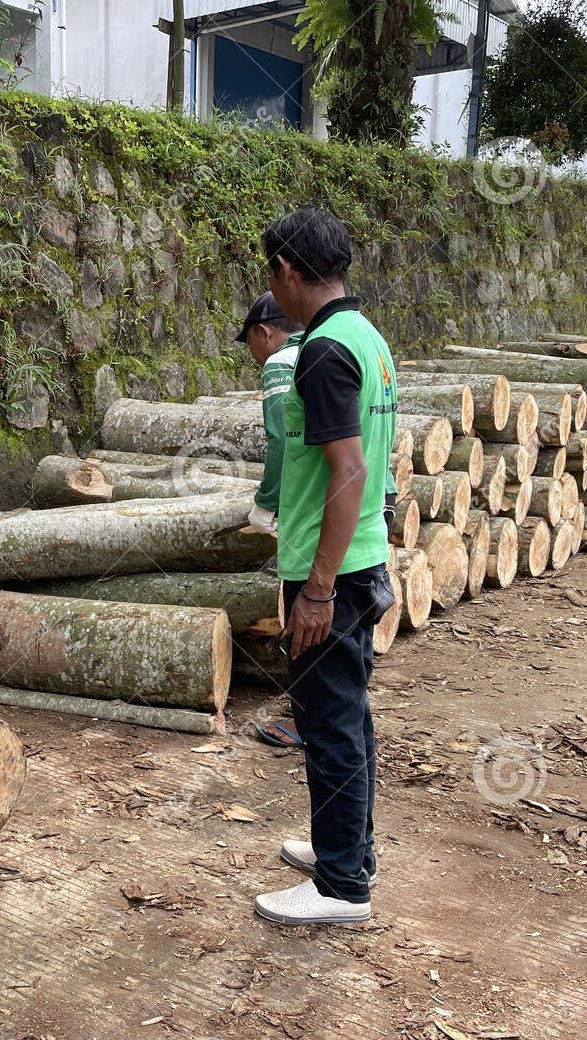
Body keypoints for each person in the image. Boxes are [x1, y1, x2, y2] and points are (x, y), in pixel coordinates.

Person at [251, 208, 398, 927]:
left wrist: (314, 590)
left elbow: (348, 469)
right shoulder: (367, 340)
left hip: (330, 572)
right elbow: (375, 469)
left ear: (285, 268)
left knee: (331, 725)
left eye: (267, 270)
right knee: (349, 721)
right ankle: (348, 852)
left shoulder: (323, 350)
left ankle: (342, 887)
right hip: (362, 558)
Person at [235, 291, 305, 749]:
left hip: (308, 510)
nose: (254, 355)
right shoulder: (330, 345)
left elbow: (282, 441)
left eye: (251, 344)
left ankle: (307, 721)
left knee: (306, 610)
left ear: (264, 332)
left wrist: (265, 506)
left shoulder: (281, 363)